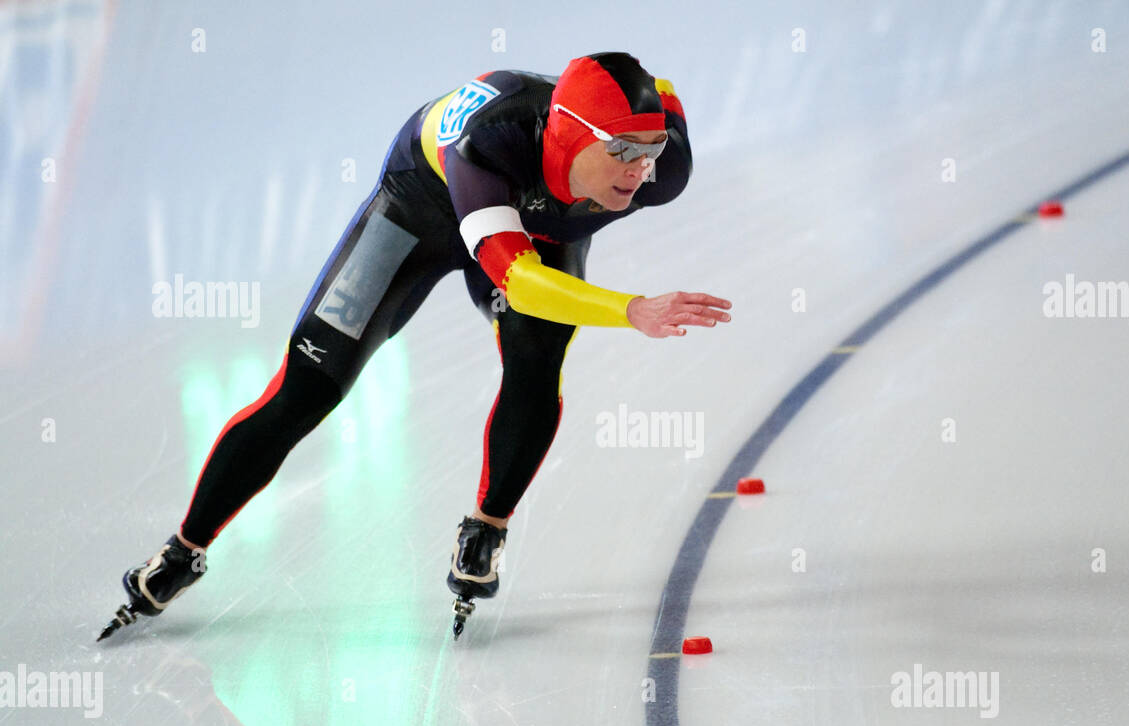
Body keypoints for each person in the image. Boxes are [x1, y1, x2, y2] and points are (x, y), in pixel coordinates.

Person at [98, 52, 731, 641]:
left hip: (536, 222)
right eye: (622, 149)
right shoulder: (490, 142)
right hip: (421, 206)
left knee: (537, 363)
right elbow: (520, 281)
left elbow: (660, 100)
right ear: (568, 133)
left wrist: (646, 126)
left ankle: (486, 529)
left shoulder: (661, 168)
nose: (639, 170)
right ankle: (184, 548)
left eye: (649, 149)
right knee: (310, 385)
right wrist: (631, 310)